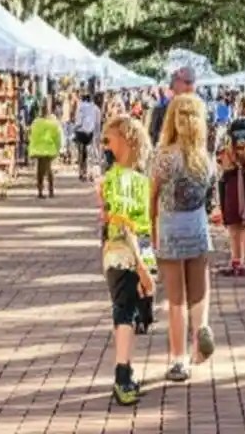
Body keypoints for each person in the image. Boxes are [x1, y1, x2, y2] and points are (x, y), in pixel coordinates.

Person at [150, 94, 220, 381]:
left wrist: (151, 231)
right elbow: (211, 199)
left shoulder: (164, 157)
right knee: (199, 291)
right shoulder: (206, 159)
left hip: (170, 230)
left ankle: (179, 359)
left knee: (175, 299)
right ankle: (201, 331)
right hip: (198, 230)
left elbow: (152, 196)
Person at [97, 115, 157, 405]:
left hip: (126, 252)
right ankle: (122, 375)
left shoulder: (127, 180)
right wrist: (143, 265)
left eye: (109, 140)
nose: (105, 146)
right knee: (126, 312)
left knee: (128, 312)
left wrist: (147, 264)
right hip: (126, 253)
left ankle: (126, 370)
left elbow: (131, 224)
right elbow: (123, 225)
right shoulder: (121, 179)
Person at [217, 139, 245, 276]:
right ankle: (241, 260)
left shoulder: (230, 151)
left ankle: (238, 259)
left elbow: (223, 169)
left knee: (239, 227)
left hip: (238, 189)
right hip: (244, 189)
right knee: (242, 226)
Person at [28, 102, 62, 199]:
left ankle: (40, 191)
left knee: (40, 171)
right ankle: (51, 191)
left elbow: (31, 135)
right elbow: (57, 137)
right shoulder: (53, 123)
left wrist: (31, 147)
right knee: (49, 170)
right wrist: (58, 148)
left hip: (38, 150)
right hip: (49, 149)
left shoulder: (35, 123)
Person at [74, 92, 100, 182]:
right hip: (90, 133)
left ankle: (82, 172)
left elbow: (78, 120)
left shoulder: (80, 107)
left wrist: (76, 128)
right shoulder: (96, 108)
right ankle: (90, 173)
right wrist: (97, 135)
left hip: (80, 132)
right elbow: (97, 123)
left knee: (81, 153)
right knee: (90, 153)